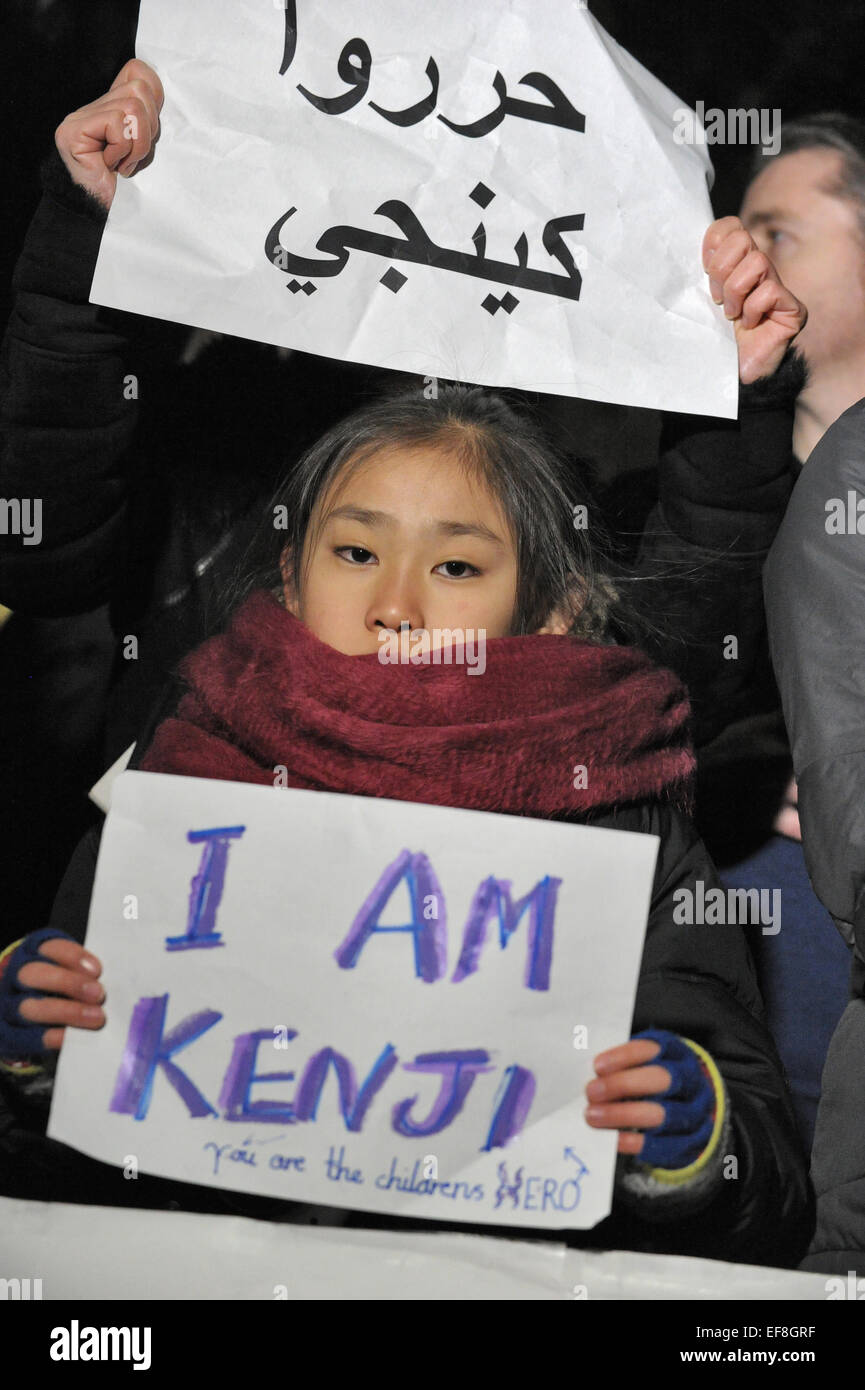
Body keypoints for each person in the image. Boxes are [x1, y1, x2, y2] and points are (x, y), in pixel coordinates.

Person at [0, 379, 812, 1265]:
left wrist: (691, 1151)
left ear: (554, 611)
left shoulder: (618, 821)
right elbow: (47, 1175)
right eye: (354, 551)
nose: (395, 605)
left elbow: (766, 1194)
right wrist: (30, 1065)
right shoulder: (181, 782)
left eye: (456, 567)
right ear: (290, 574)